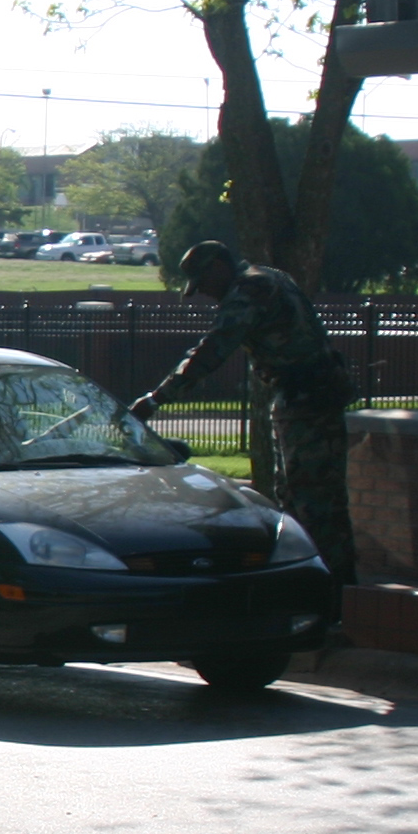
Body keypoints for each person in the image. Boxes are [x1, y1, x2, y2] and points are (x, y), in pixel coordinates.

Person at [131, 240, 358, 585]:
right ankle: (311, 584)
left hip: (308, 399)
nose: (205, 294)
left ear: (219, 267)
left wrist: (156, 398)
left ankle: (336, 590)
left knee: (315, 503)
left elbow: (215, 348)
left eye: (203, 284)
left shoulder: (250, 289)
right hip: (301, 398)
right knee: (295, 496)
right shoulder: (270, 277)